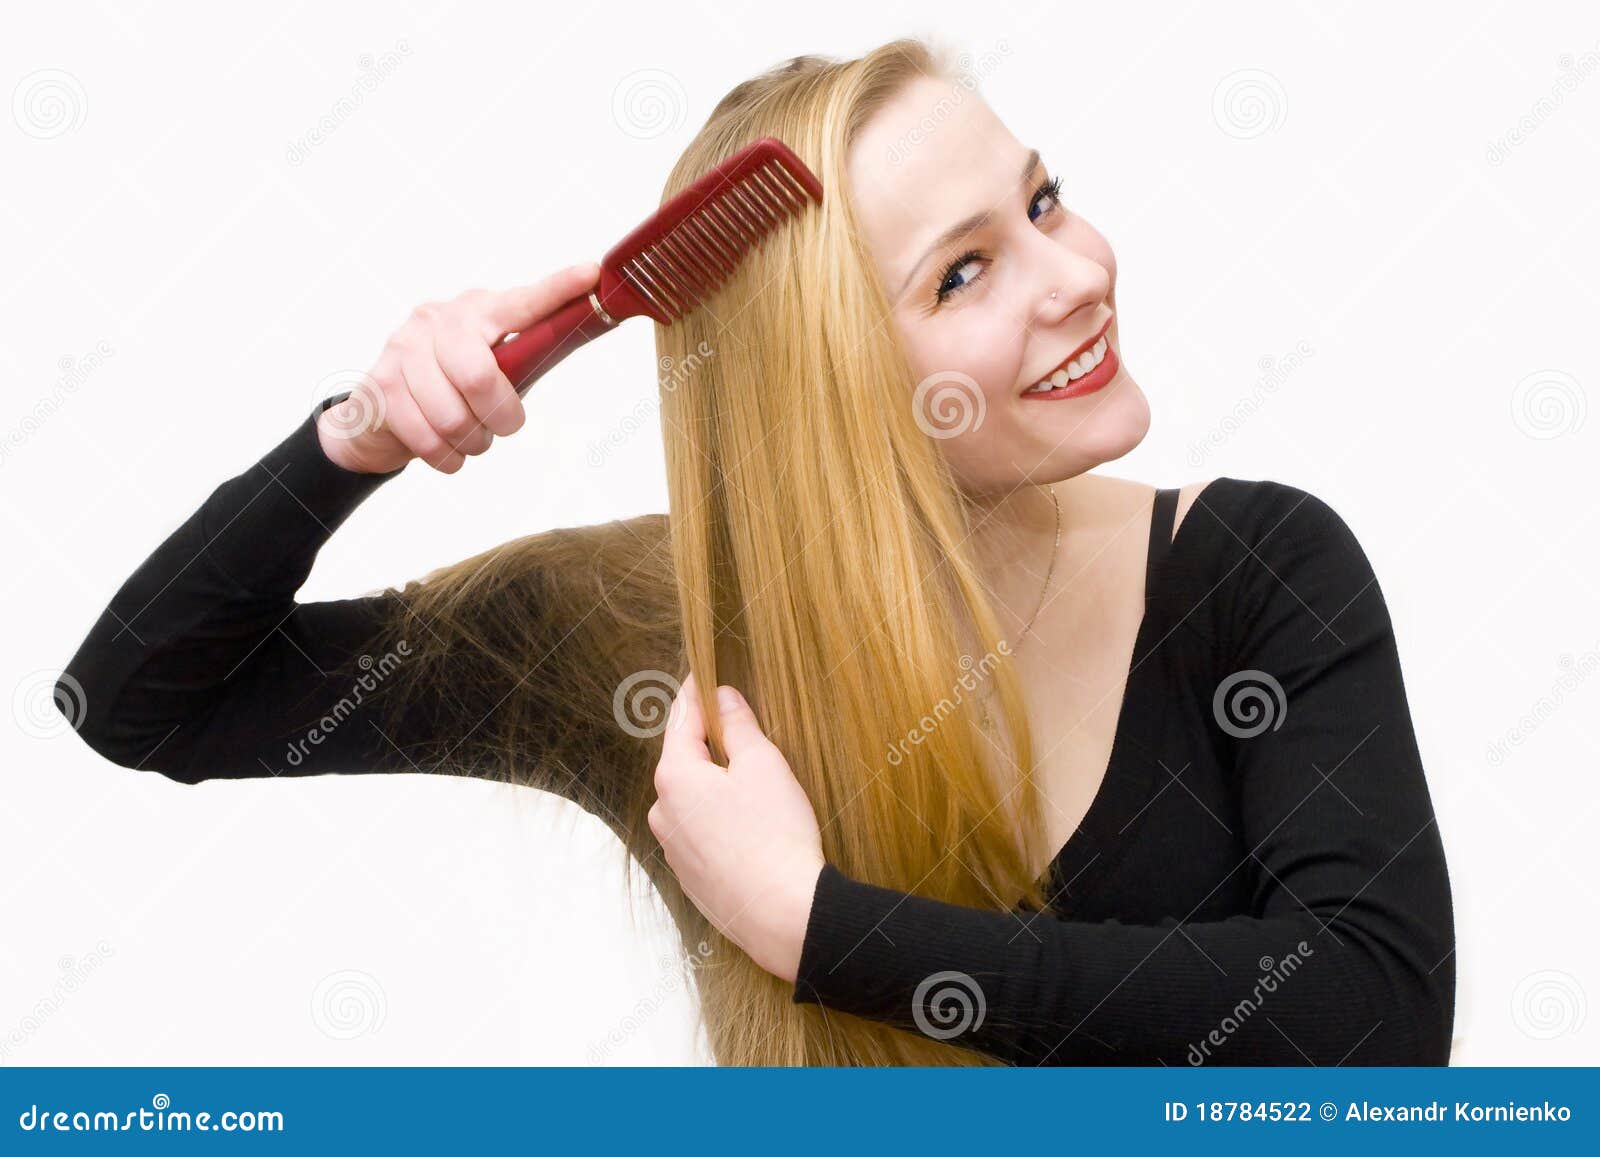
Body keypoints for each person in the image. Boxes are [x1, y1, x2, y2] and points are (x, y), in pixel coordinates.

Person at [55, 37, 1455, 1067]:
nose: (1077, 273)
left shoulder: (1255, 570)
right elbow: (142, 697)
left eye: (1041, 202)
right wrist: (355, 437)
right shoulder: (646, 638)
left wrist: (814, 923)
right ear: (821, 380)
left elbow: (1374, 1019)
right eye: (963, 272)